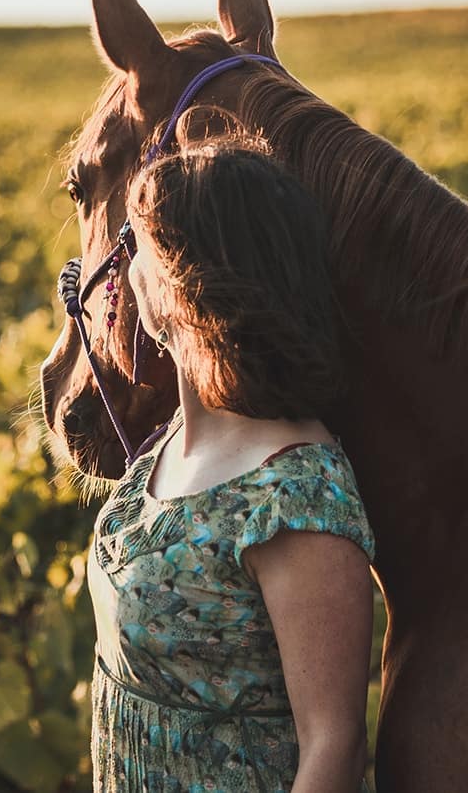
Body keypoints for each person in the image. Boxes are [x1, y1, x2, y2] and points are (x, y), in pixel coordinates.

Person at [87, 136, 378, 792]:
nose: (124, 270)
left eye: (139, 247)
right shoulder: (175, 440)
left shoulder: (295, 494)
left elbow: (333, 748)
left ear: (183, 282)